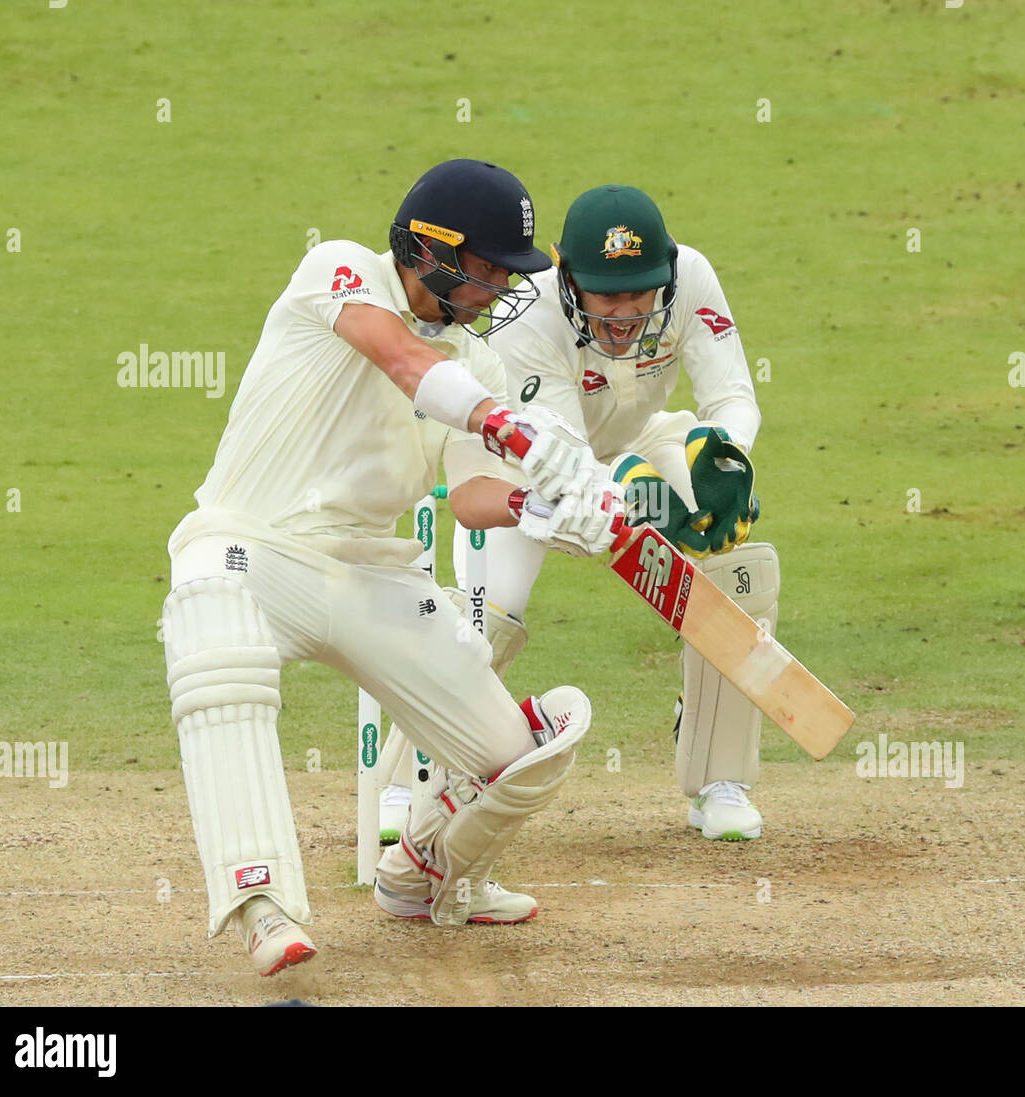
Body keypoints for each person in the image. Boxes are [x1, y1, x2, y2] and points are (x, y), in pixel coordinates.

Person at [162, 159, 622, 977]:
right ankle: (260, 899)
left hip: (375, 580)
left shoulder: (471, 367)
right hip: (254, 546)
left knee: (521, 755)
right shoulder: (338, 270)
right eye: (487, 272)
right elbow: (400, 358)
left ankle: (421, 874)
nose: (498, 293)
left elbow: (473, 492)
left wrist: (535, 509)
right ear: (431, 251)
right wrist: (509, 423)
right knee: (212, 620)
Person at [377, 184, 775, 842]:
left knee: (738, 568)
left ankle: (719, 780)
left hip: (634, 442)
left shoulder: (693, 277)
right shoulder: (531, 319)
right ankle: (406, 782)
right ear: (567, 282)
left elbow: (733, 394)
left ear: (669, 274)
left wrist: (724, 458)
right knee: (490, 613)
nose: (624, 312)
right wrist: (634, 504)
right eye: (606, 295)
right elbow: (565, 471)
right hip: (522, 457)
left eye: (641, 292)